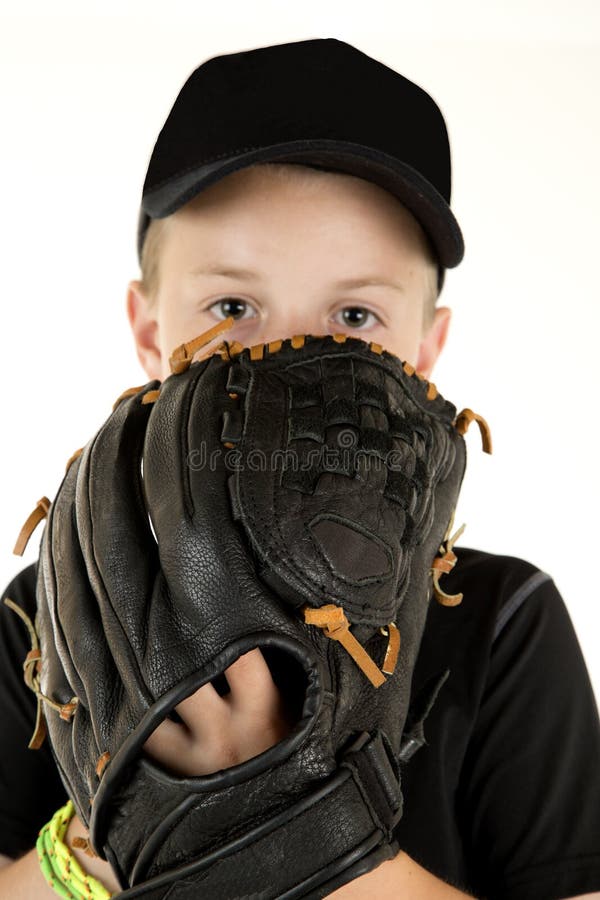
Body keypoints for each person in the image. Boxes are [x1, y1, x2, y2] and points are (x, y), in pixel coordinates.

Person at [1, 37, 599, 900]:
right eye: (233, 307)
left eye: (354, 314)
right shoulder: (50, 616)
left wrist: (298, 822)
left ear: (426, 352)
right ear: (146, 330)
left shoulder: (503, 625)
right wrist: (106, 841)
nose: (288, 358)